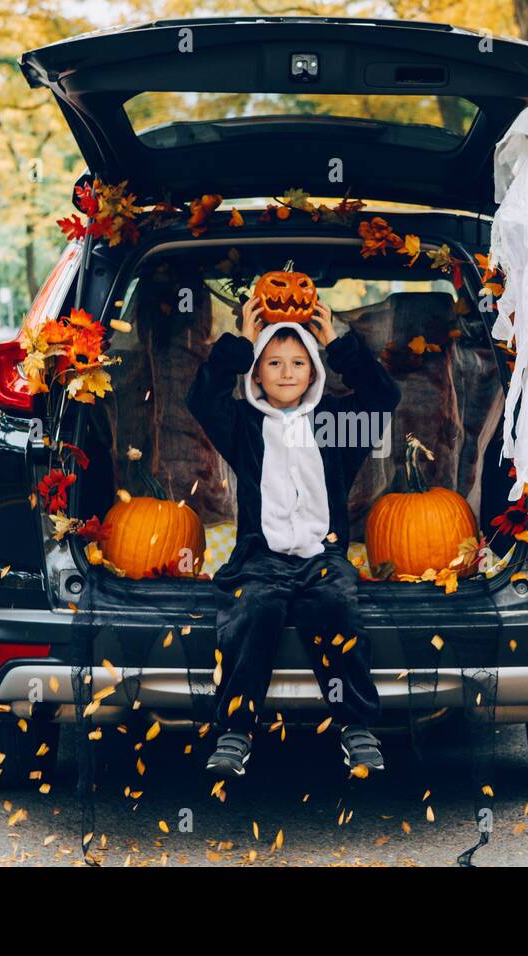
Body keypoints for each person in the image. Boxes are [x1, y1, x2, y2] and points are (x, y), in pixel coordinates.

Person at [184, 290, 402, 777]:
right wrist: (241, 341)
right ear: (256, 372)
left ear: (314, 369)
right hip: (260, 557)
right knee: (251, 610)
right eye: (273, 361)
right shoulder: (243, 424)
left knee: (336, 609)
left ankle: (355, 726)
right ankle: (236, 729)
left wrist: (339, 342)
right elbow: (202, 397)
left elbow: (384, 396)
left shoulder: (337, 423)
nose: (286, 372)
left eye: (299, 361)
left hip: (322, 557)